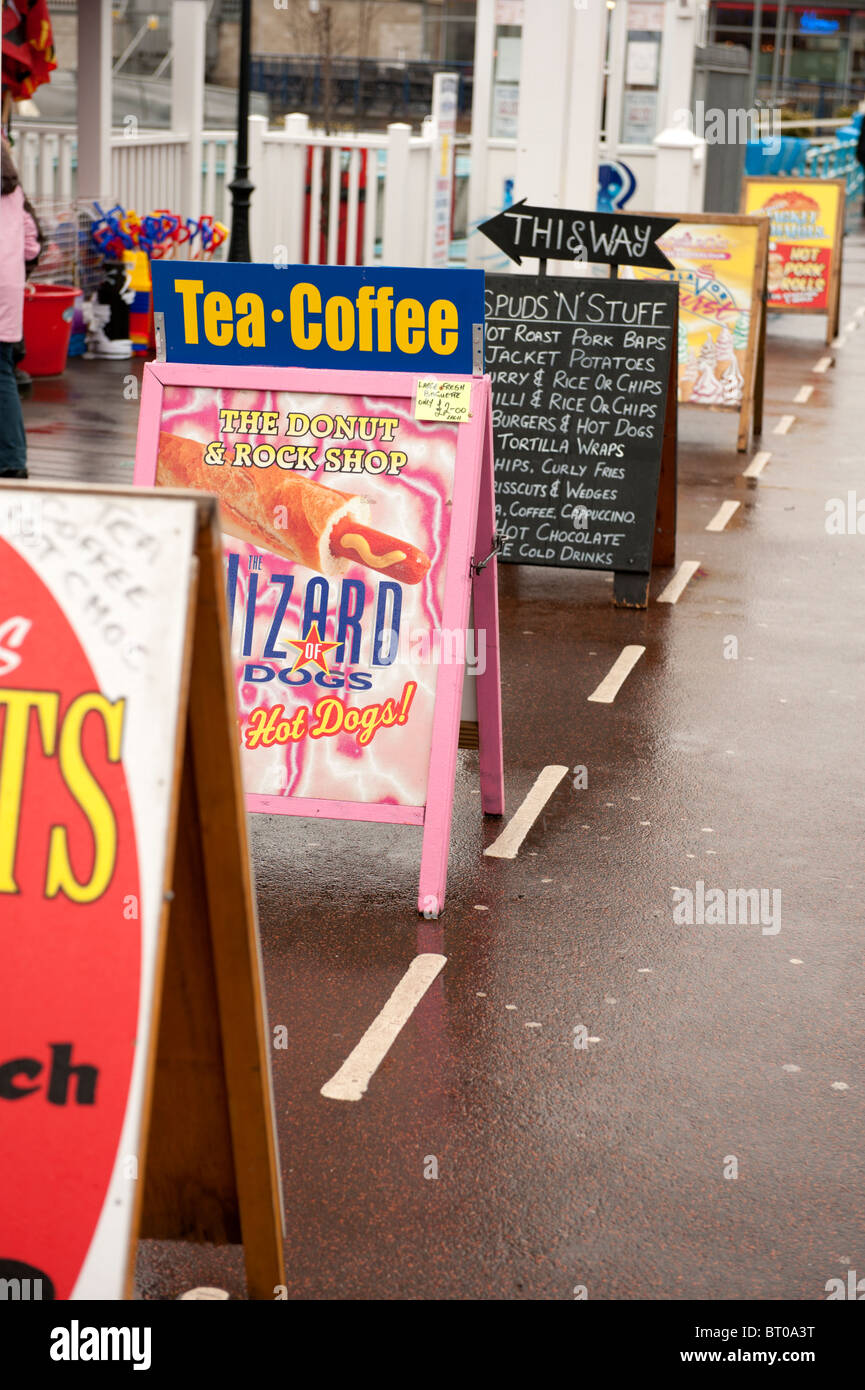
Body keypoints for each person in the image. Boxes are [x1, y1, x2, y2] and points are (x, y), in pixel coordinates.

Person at [0, 136, 40, 478]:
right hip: (7, 295)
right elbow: (31, 246)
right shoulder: (14, 193)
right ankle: (13, 460)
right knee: (3, 375)